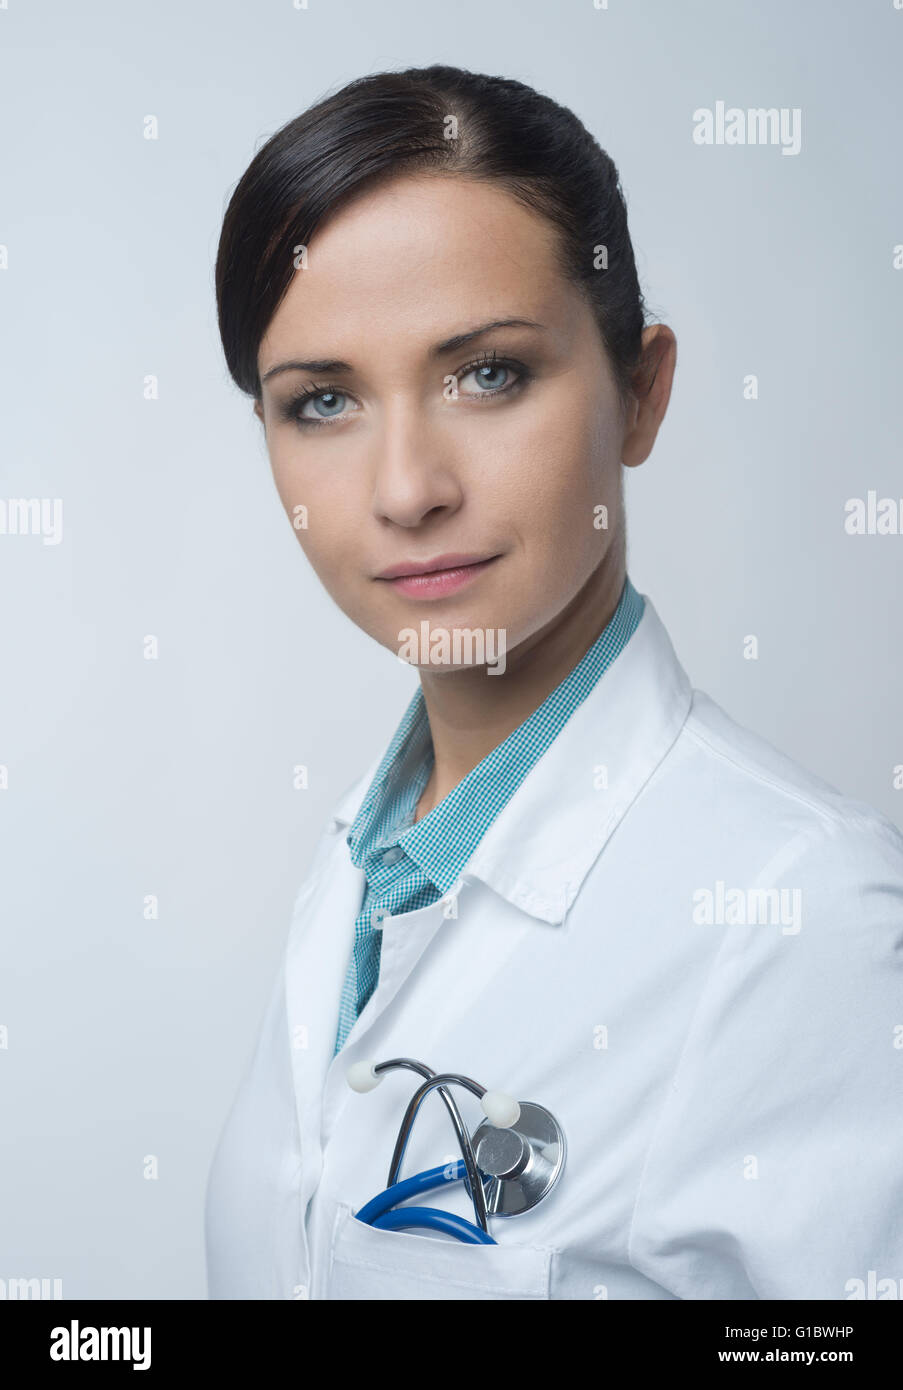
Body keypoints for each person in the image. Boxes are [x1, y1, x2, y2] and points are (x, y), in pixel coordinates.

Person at [204, 65, 903, 1300]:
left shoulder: (812, 925)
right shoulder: (370, 869)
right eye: (323, 402)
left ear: (641, 390)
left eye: (488, 375)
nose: (407, 488)